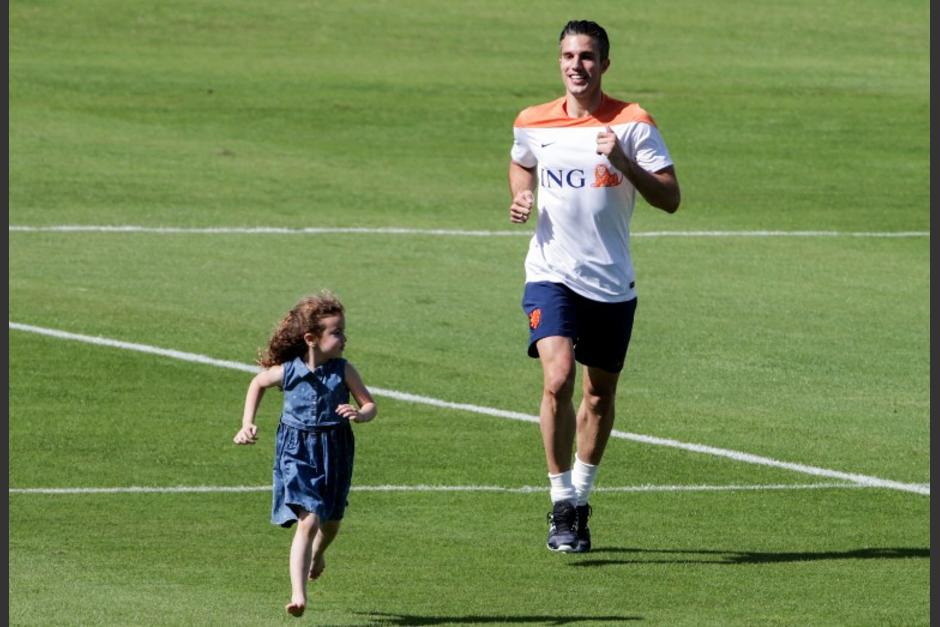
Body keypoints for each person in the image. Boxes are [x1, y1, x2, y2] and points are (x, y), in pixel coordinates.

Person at [507, 20, 680, 553]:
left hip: (609, 281)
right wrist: (522, 196)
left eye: (586, 57)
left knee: (598, 395)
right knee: (557, 379)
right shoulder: (534, 121)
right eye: (567, 56)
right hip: (550, 272)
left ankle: (581, 499)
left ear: (605, 64)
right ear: (558, 62)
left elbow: (670, 198)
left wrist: (623, 160)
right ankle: (560, 503)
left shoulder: (633, 123)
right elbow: (521, 162)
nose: (575, 66)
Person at [234, 291, 377, 616]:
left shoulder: (343, 370)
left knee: (333, 520)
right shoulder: (289, 371)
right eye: (336, 332)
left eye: (343, 331)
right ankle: (299, 595)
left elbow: (369, 403)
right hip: (296, 449)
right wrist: (247, 424)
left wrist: (360, 414)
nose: (344, 338)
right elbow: (257, 383)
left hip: (335, 447)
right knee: (308, 518)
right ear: (311, 338)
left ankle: (318, 553)